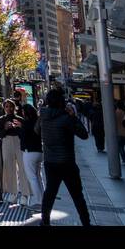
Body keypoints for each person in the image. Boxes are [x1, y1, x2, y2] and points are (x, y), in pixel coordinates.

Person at [38, 88, 92, 226]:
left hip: (50, 161)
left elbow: (36, 130)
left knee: (49, 193)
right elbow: (84, 134)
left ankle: (45, 222)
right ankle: (86, 223)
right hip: (67, 162)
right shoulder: (66, 118)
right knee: (77, 196)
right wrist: (73, 116)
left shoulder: (43, 117)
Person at [0, 100, 28, 206]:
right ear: (4, 108)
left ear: (15, 108)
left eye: (11, 106)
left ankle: (24, 194)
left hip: (19, 142)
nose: (9, 108)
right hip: (7, 142)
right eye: (6, 106)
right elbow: (0, 134)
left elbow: (24, 133)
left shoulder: (20, 119)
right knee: (9, 167)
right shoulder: (1, 120)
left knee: (23, 167)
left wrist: (19, 127)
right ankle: (12, 193)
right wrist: (6, 128)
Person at [19, 103, 44, 209]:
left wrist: (20, 128)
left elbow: (23, 137)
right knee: (38, 177)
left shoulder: (26, 123)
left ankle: (39, 201)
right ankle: (43, 199)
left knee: (32, 178)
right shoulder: (37, 121)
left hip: (29, 152)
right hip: (39, 151)